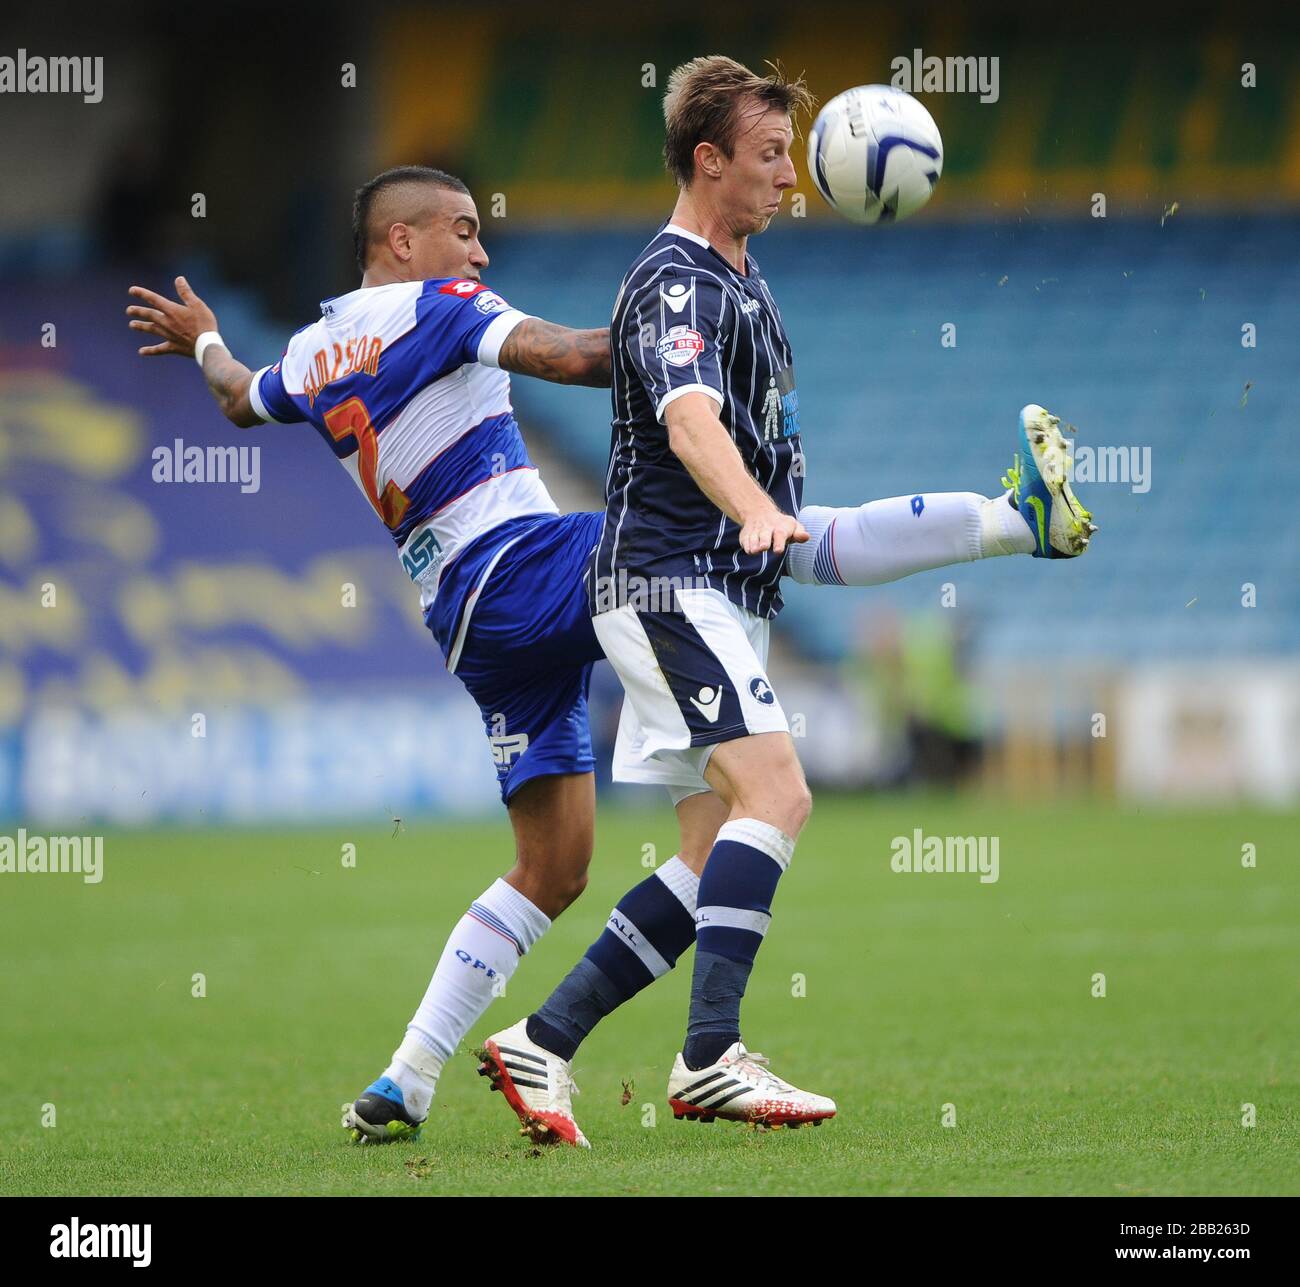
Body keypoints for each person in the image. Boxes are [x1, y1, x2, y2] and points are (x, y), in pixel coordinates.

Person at [128, 155, 1093, 1148]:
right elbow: (573, 357)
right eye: (462, 228)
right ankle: (1009, 520)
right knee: (738, 529)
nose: (481, 246)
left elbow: (242, 398)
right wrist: (690, 352)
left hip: (466, 615)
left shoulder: (314, 348)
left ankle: (408, 1077)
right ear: (403, 243)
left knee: (556, 866)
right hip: (521, 565)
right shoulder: (441, 305)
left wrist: (204, 340)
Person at [477, 56, 1095, 1146]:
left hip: (714, 585)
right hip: (667, 587)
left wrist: (995, 531)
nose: (788, 179)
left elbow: (820, 541)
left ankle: (544, 1040)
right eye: (768, 157)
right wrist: (753, 508)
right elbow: (687, 423)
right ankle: (710, 1056)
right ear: (707, 160)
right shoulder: (677, 283)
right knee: (784, 796)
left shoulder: (744, 281)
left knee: (713, 854)